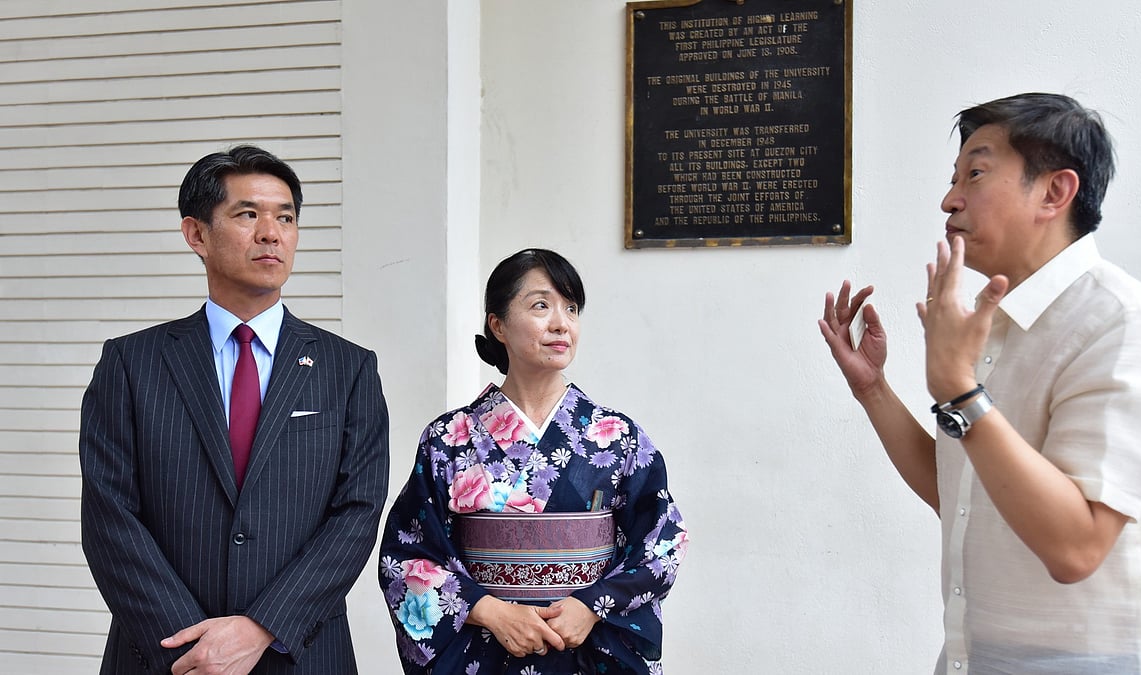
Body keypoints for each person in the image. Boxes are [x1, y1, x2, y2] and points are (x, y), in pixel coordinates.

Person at [819, 93, 1141, 673]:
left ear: (1055, 191)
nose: (949, 200)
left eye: (975, 172)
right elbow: (966, 497)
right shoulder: (993, 321)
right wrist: (874, 390)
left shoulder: (1124, 326)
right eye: (954, 178)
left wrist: (957, 388)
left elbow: (1076, 547)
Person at [79, 145, 390, 674]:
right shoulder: (131, 364)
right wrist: (192, 649)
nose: (271, 232)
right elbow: (109, 516)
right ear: (196, 234)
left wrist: (261, 627)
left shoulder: (348, 369)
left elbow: (356, 514)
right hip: (165, 657)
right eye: (248, 214)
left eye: (286, 217)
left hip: (300, 652)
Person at [378, 248, 688, 674]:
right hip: (484, 651)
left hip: (587, 647)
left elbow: (662, 541)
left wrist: (592, 606)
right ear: (498, 325)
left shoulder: (619, 438)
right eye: (541, 305)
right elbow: (407, 555)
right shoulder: (449, 438)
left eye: (571, 309)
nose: (561, 323)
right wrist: (488, 609)